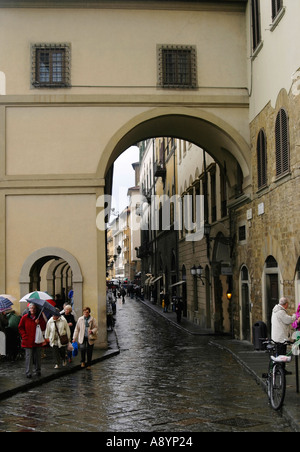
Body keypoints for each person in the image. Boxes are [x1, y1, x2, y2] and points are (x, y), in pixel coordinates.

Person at [271, 297, 300, 373]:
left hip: (277, 336)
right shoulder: (280, 312)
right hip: (280, 337)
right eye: (288, 304)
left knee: (280, 353)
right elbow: (288, 320)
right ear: (286, 304)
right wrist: (295, 316)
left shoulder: (276, 310)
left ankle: (280, 369)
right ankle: (281, 370)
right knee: (282, 354)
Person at [18, 303, 46, 378]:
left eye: (34, 308)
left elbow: (44, 327)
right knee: (28, 357)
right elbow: (20, 327)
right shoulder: (25, 317)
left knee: (38, 357)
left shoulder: (39, 317)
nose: (32, 309)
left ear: (36, 309)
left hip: (37, 340)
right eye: (31, 308)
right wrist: (24, 336)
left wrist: (39, 323)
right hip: (28, 341)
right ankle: (28, 372)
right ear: (29, 309)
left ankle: (38, 370)